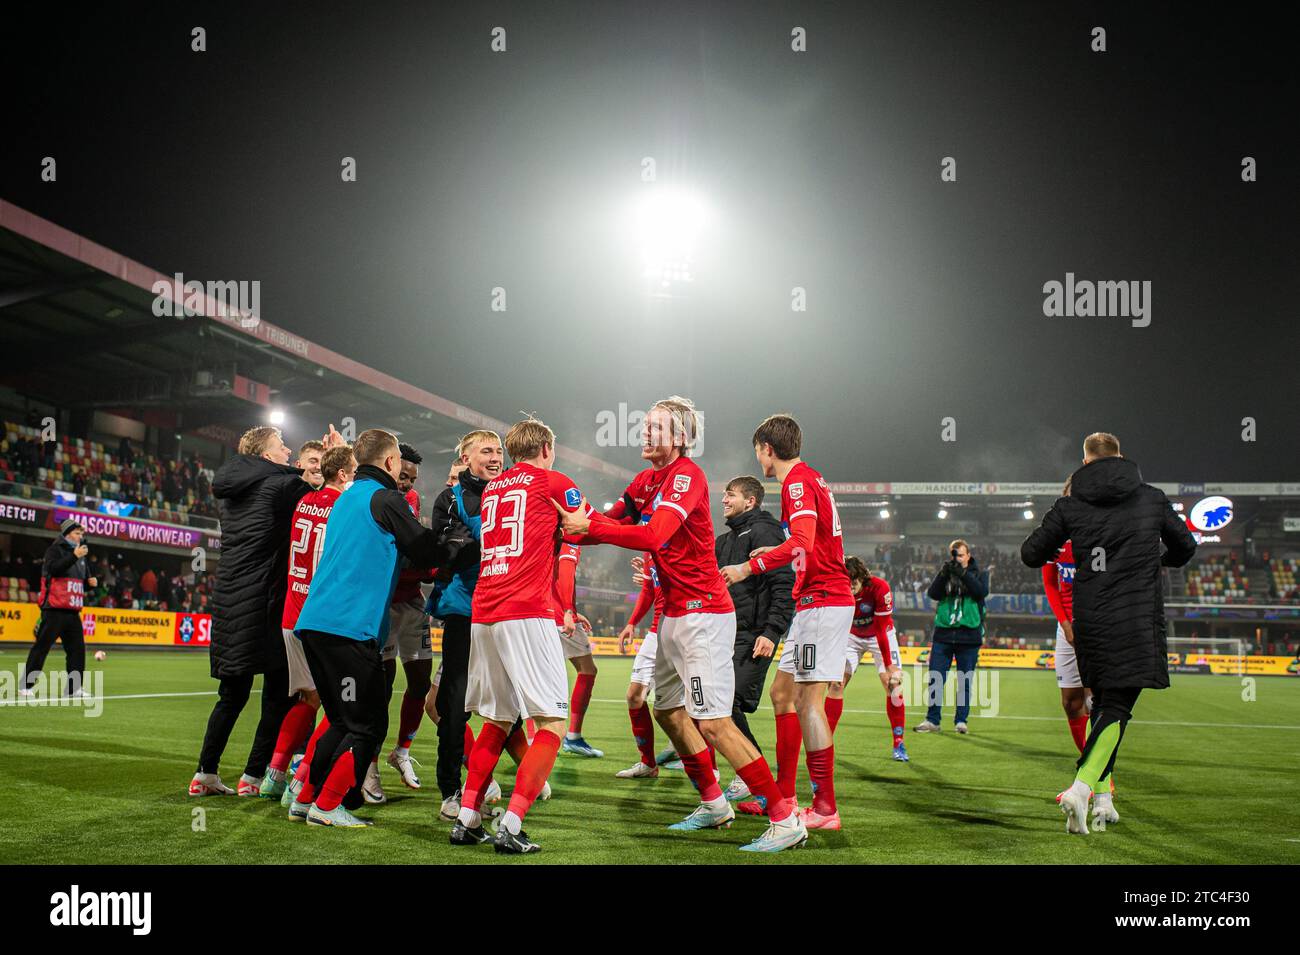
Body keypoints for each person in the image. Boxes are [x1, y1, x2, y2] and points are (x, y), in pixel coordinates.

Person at [559, 396, 806, 852]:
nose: (645, 433)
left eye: (656, 427)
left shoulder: (687, 477)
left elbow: (651, 535)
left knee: (713, 723)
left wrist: (584, 527)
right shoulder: (645, 480)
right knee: (668, 711)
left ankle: (785, 817)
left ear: (681, 439)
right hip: (671, 614)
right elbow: (608, 522)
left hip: (704, 615)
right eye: (644, 425)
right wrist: (567, 522)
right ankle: (714, 804)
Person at [294, 429, 470, 828]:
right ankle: (328, 806)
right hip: (349, 628)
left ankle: (306, 799)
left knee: (342, 720)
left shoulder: (346, 498)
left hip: (317, 624)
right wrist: (456, 545)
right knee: (367, 723)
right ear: (390, 462)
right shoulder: (385, 498)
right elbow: (423, 549)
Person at [1021, 432, 1196, 835]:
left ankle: (1103, 800)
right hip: (1136, 618)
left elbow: (1031, 553)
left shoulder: (1070, 504)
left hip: (1090, 621)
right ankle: (1081, 788)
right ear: (1121, 458)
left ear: (1085, 464)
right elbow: (1185, 547)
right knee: (1116, 706)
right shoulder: (1151, 497)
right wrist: (1158, 561)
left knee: (1104, 706)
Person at [450, 417, 587, 853]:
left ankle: (468, 817)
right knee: (551, 720)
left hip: (484, 611)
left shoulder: (494, 488)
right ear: (546, 447)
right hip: (526, 610)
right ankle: (511, 823)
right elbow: (582, 526)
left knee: (498, 719)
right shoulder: (554, 481)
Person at [189, 424, 339, 798]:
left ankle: (205, 773)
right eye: (281, 446)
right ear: (266, 455)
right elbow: (324, 504)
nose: (288, 451)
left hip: (229, 599)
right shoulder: (283, 486)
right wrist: (336, 457)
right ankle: (254, 777)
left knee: (231, 694)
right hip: (268, 600)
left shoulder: (233, 489)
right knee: (278, 694)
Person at [721, 414, 853, 831]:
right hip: (810, 602)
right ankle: (785, 794)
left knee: (808, 701)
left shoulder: (796, 482)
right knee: (782, 693)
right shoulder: (809, 479)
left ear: (766, 448)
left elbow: (801, 543)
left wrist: (748, 567)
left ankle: (826, 808)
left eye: (757, 450)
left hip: (823, 600)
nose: (757, 457)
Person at [259, 444, 356, 807]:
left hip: (291, 613)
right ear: (344, 475)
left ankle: (275, 773)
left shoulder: (305, 502)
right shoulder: (342, 507)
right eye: (354, 472)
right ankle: (302, 783)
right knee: (339, 707)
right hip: (320, 616)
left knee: (308, 698)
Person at [429, 430, 502, 820]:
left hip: (503, 611)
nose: (494, 457)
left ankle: (482, 785)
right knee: (453, 705)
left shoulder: (512, 492)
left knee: (505, 705)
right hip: (464, 610)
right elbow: (449, 551)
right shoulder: (450, 498)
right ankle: (451, 792)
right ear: (466, 458)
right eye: (485, 451)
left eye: (498, 451)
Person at [713, 475, 794, 804]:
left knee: (728, 702)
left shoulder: (764, 530)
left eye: (730, 495)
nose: (724, 500)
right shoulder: (724, 540)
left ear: (751, 501)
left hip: (754, 633)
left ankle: (753, 777)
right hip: (726, 634)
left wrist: (772, 631)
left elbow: (784, 583)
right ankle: (748, 775)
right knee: (720, 704)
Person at [372, 442, 437, 801]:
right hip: (383, 606)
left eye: (413, 479)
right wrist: (431, 565)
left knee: (421, 680)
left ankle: (402, 750)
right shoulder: (378, 499)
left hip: (412, 603)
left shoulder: (410, 501)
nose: (408, 484)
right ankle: (367, 764)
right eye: (404, 476)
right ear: (390, 467)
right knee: (380, 688)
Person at [834, 556, 907, 761]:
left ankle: (898, 742)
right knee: (836, 684)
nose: (849, 586)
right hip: (851, 636)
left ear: (862, 577)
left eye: (853, 581)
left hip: (879, 636)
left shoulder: (879, 588)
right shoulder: (837, 587)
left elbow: (881, 629)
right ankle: (825, 743)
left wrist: (890, 665)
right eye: (846, 580)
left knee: (893, 683)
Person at [913, 540, 988, 734]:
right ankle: (932, 720)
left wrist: (963, 574)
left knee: (965, 681)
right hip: (944, 634)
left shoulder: (980, 573)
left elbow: (981, 592)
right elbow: (933, 593)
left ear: (968, 556)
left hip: (969, 635)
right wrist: (943, 574)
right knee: (936, 679)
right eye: (954, 555)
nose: (957, 559)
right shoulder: (946, 573)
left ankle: (961, 721)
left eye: (961, 555)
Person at [20, 518, 97, 698]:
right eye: (77, 533)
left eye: (82, 534)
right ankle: (26, 685)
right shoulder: (54, 550)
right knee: (42, 647)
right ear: (67, 533)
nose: (80, 536)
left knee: (77, 650)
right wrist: (74, 556)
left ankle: (73, 689)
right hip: (54, 608)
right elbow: (53, 570)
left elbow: (78, 583)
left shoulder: (80, 555)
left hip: (72, 610)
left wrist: (89, 584)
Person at [613, 552, 666, 778]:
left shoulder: (682, 534)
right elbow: (648, 590)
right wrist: (632, 623)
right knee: (634, 696)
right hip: (656, 631)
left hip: (684, 625)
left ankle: (709, 770)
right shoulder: (648, 550)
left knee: (689, 706)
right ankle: (648, 764)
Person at [553, 541, 603, 757]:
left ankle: (532, 738)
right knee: (587, 670)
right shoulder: (568, 537)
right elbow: (565, 572)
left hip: (540, 612)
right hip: (557, 616)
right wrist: (566, 610)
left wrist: (572, 610)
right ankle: (571, 736)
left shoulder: (547, 533)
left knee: (538, 676)